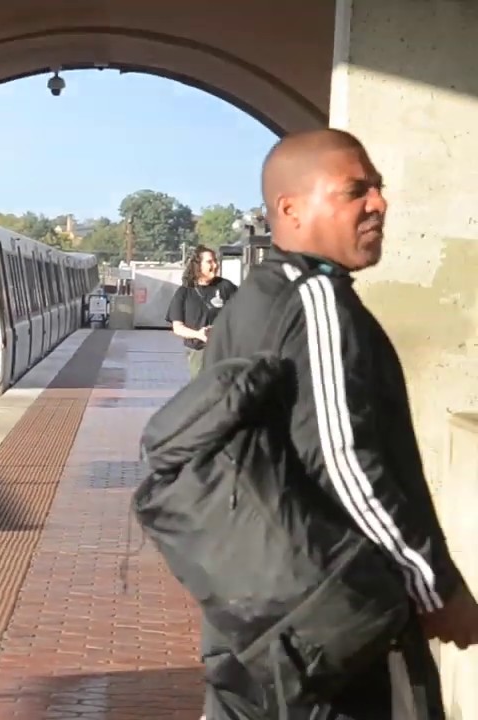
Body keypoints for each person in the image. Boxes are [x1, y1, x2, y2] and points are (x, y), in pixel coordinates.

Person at [200, 128, 478, 718]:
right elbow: (347, 465)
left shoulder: (252, 303)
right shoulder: (315, 304)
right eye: (357, 190)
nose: (379, 203)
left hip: (257, 623)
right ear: (291, 209)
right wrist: (435, 587)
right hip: (326, 630)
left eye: (377, 188)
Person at [165, 246, 237, 377]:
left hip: (223, 350)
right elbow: (178, 328)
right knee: (202, 389)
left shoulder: (226, 287)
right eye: (210, 262)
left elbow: (241, 315)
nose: (215, 265)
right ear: (198, 265)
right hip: (198, 352)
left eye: (215, 261)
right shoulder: (185, 292)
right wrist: (199, 334)